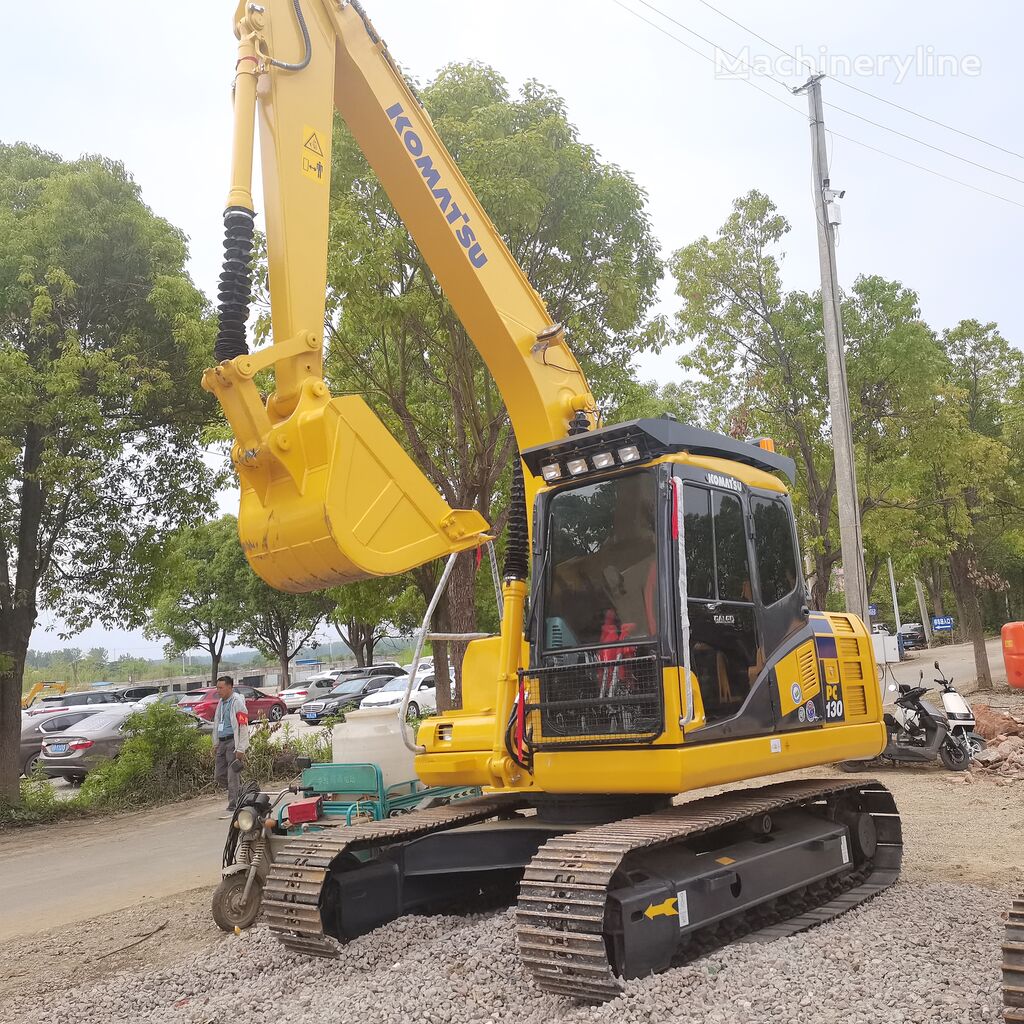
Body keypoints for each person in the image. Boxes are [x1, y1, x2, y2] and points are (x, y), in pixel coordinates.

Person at [213, 675, 249, 815]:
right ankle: (240, 792)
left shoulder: (237, 702)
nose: (218, 690)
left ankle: (233, 804)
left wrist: (241, 748)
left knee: (232, 775)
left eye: (221, 688)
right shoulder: (221, 703)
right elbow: (217, 724)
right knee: (219, 775)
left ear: (229, 687)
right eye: (217, 687)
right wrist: (215, 743)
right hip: (222, 742)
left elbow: (243, 725)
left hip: (233, 742)